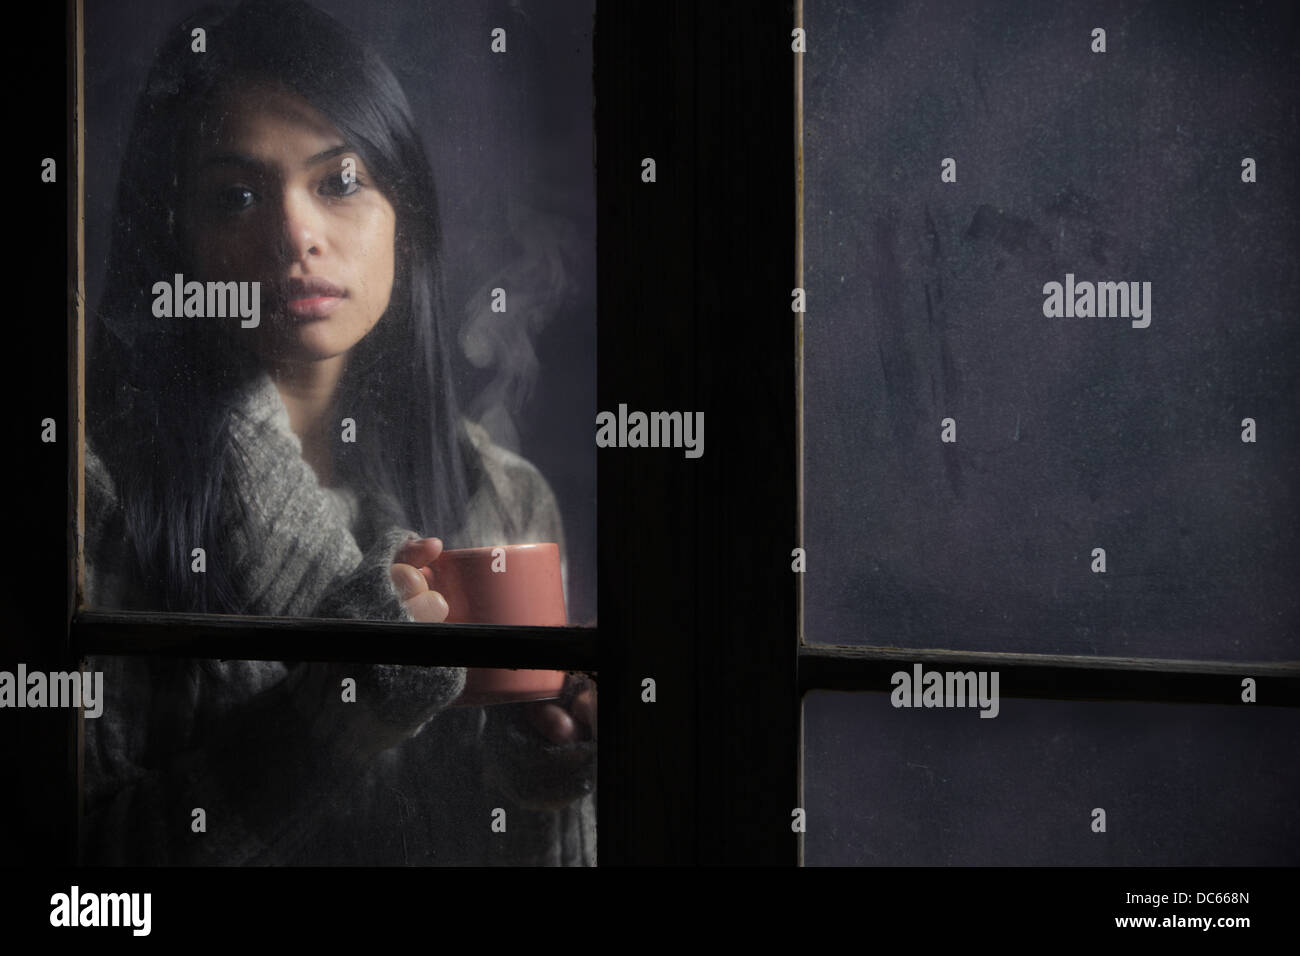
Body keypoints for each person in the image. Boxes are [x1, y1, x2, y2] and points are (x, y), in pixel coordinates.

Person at [82, 0, 595, 865]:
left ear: (407, 212)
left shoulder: (506, 495)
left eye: (340, 181)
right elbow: (84, 886)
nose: (296, 235)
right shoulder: (101, 492)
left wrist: (539, 777)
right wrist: (335, 710)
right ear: (180, 241)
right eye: (236, 195)